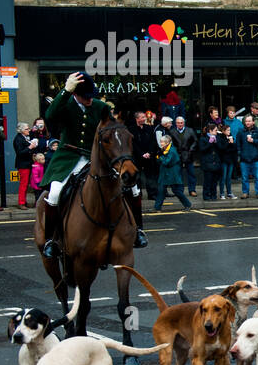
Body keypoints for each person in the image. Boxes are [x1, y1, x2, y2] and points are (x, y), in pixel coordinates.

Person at [40, 72, 147, 256]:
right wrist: (66, 90)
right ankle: (51, 240)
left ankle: (138, 231)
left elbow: (113, 130)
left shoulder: (100, 106)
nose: (89, 100)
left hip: (96, 157)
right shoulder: (65, 104)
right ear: (75, 94)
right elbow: (50, 115)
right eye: (84, 97)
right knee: (55, 192)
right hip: (69, 158)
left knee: (134, 187)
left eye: (91, 96)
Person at [153, 134, 192, 211]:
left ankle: (188, 204)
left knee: (176, 191)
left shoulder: (172, 150)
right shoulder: (164, 150)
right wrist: (158, 157)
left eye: (162, 142)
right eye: (161, 142)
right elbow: (159, 160)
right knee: (161, 191)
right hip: (165, 173)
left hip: (172, 174)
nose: (161, 143)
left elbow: (166, 162)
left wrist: (160, 157)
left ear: (167, 143)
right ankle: (157, 208)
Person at [237, 114, 258, 198]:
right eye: (246, 121)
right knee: (244, 178)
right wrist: (240, 153)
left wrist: (253, 140)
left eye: (249, 121)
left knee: (257, 178)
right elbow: (238, 144)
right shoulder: (241, 131)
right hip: (244, 159)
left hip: (256, 158)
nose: (247, 123)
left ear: (253, 122)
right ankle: (245, 193)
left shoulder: (257, 131)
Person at [13, 121, 38, 208]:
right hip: (23, 164)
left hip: (28, 163)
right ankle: (21, 202)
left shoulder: (25, 137)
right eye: (27, 129)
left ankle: (24, 201)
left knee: (27, 183)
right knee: (24, 184)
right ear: (21, 130)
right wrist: (29, 147)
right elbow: (20, 153)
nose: (29, 130)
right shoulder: (18, 139)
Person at [198, 122, 224, 201]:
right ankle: (206, 196)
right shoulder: (203, 139)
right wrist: (209, 143)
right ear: (210, 131)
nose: (217, 132)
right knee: (207, 181)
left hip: (216, 163)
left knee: (214, 182)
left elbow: (222, 149)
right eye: (215, 130)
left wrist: (216, 142)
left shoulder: (218, 138)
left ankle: (213, 195)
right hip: (207, 163)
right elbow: (202, 150)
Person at [174, 116, 198, 196]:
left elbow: (195, 141)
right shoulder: (172, 131)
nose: (180, 124)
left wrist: (191, 150)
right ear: (176, 123)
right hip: (178, 155)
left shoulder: (190, 130)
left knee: (191, 173)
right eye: (178, 123)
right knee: (178, 174)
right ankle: (180, 191)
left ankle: (192, 190)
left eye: (181, 123)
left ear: (184, 123)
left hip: (189, 154)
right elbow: (170, 144)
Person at [217, 122, 237, 199]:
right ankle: (222, 193)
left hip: (231, 160)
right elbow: (222, 148)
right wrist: (229, 143)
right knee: (223, 177)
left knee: (229, 178)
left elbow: (234, 148)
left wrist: (232, 143)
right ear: (223, 131)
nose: (229, 132)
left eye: (229, 130)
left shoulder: (231, 137)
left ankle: (229, 193)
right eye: (228, 130)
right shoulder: (220, 138)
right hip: (224, 160)